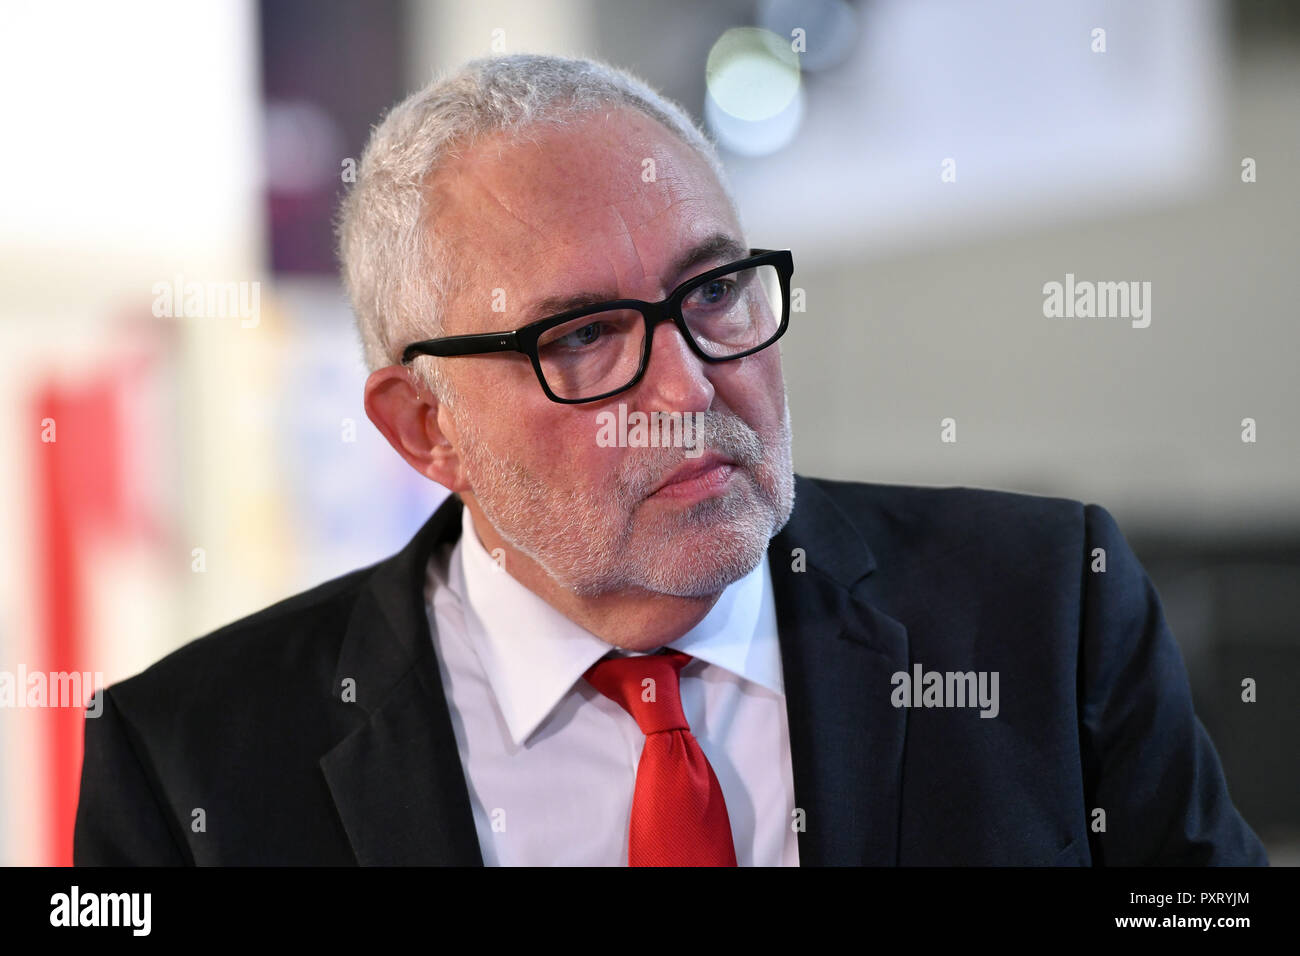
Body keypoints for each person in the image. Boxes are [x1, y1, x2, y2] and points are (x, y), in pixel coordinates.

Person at [74, 53, 1267, 866]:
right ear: (423, 427)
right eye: (584, 336)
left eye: (714, 289)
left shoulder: (1041, 608)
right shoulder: (200, 753)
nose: (689, 383)